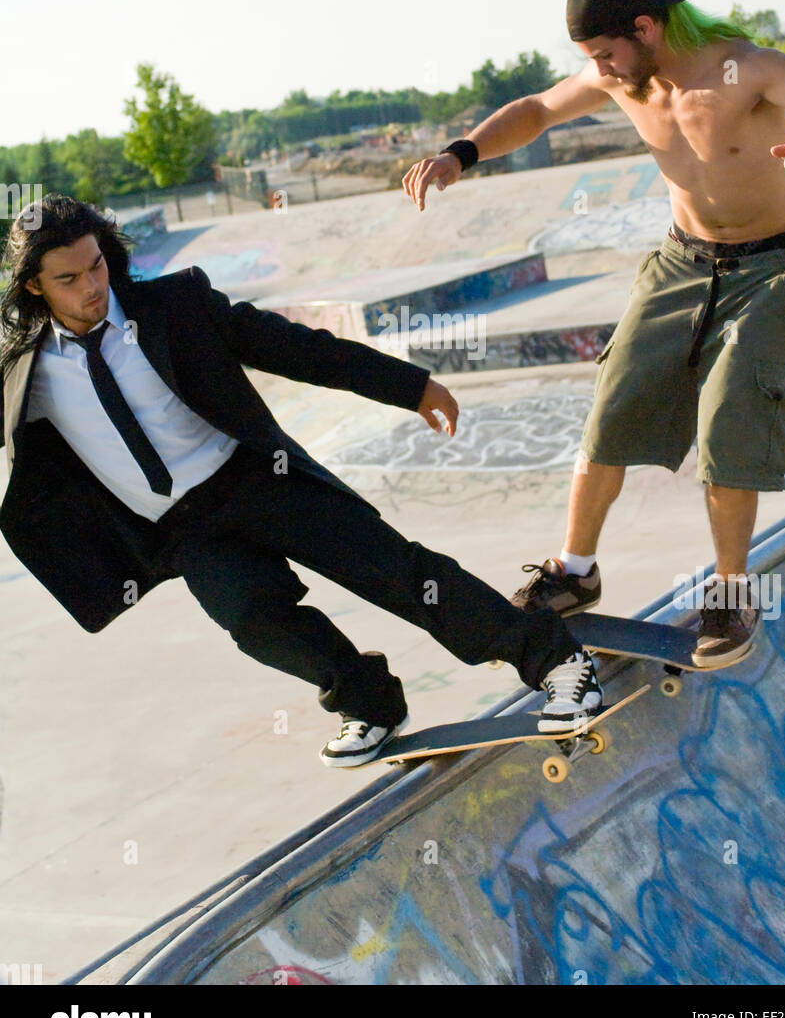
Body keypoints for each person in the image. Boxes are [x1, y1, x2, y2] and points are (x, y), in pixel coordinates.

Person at [0, 195, 600, 770]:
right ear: (34, 286)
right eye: (69, 280)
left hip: (259, 478)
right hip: (184, 530)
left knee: (397, 573)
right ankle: (370, 703)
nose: (92, 286)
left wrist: (407, 386)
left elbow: (294, 348)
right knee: (254, 622)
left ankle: (555, 660)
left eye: (96, 264)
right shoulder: (25, 375)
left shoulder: (175, 307)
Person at [403, 0, 785, 665]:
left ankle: (731, 594)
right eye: (590, 60)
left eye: (605, 54)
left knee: (731, 421)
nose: (600, 71)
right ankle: (573, 571)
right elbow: (535, 110)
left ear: (644, 28)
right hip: (682, 261)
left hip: (770, 266)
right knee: (611, 408)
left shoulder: (745, 67)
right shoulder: (617, 76)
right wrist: (461, 153)